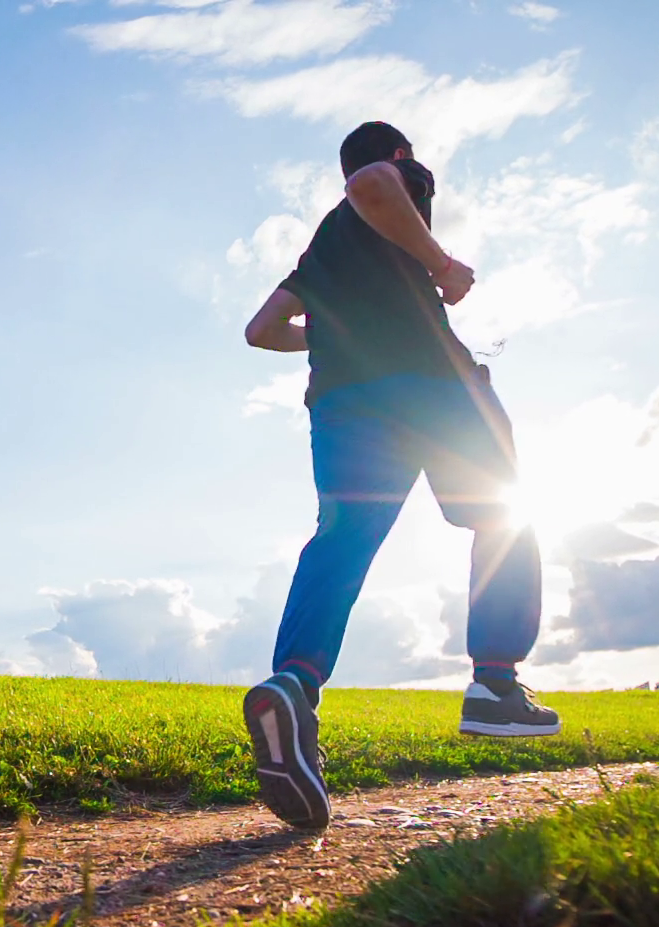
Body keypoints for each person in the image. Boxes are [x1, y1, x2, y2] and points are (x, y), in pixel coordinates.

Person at [239, 121, 560, 831]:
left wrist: (329, 333)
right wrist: (441, 263)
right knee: (503, 511)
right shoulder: (394, 183)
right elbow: (373, 187)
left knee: (344, 536)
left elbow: (261, 331)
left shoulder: (317, 249)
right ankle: (497, 686)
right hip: (429, 384)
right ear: (403, 158)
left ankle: (293, 686)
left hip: (343, 401)